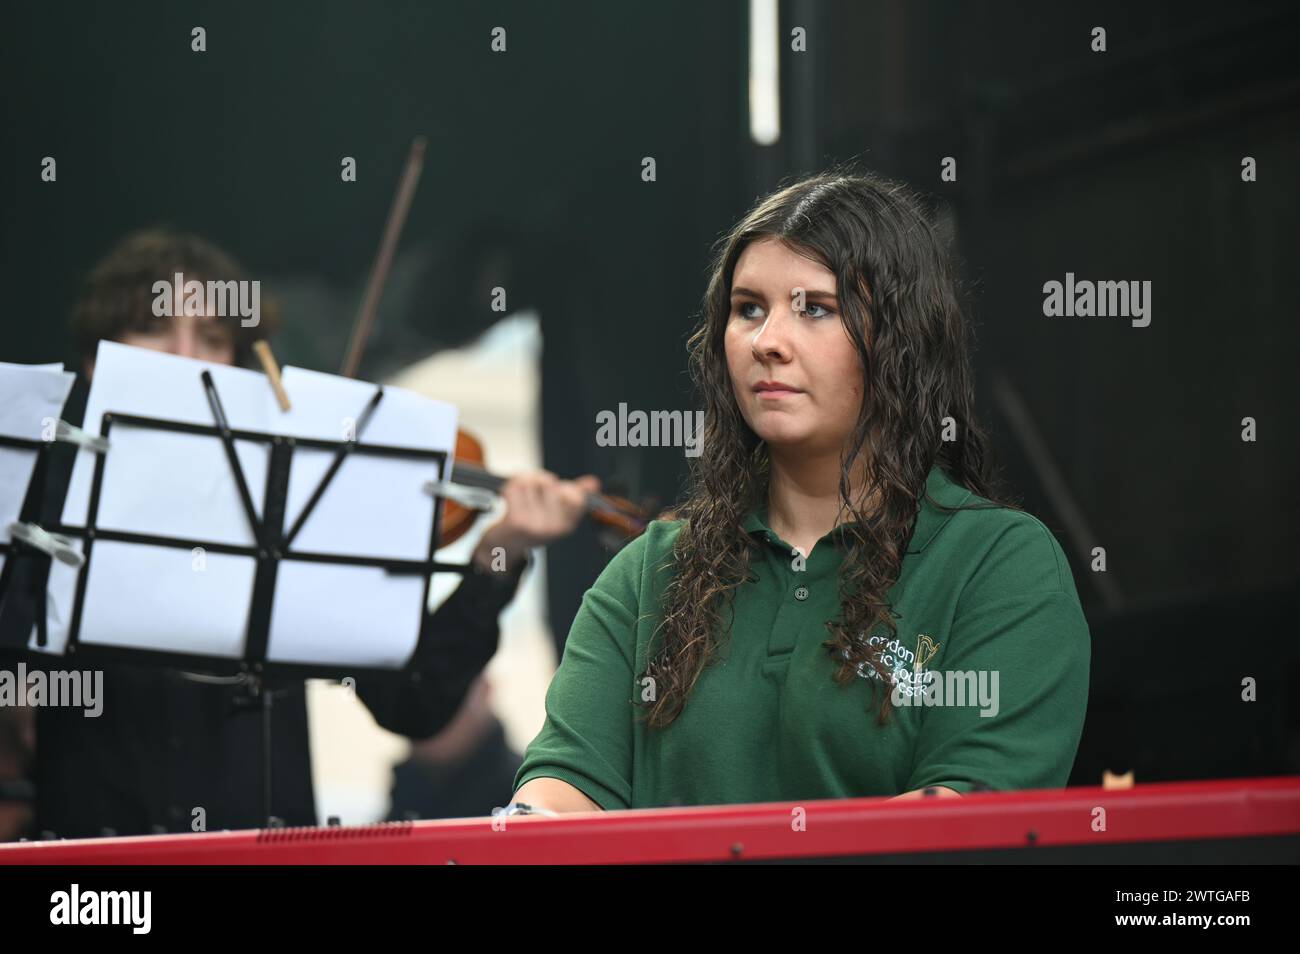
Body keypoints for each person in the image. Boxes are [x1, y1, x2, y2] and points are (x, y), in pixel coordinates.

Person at [510, 170, 1091, 813]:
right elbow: (563, 787)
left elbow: (963, 816)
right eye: (748, 309)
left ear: (899, 341)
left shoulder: (999, 564)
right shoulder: (649, 571)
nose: (767, 343)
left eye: (816, 308)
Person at [0, 228, 597, 837]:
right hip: (93, 875)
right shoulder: (34, 500)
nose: (185, 358)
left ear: (241, 363)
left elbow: (414, 701)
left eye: (211, 338)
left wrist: (500, 556)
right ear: (99, 362)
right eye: (155, 331)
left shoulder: (295, 506)